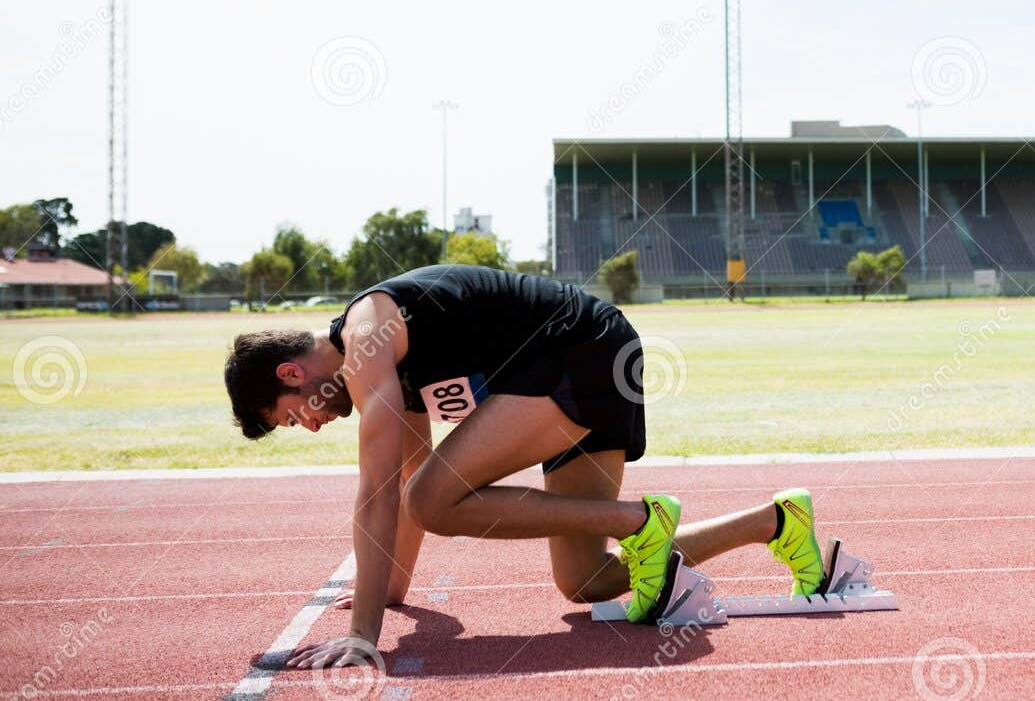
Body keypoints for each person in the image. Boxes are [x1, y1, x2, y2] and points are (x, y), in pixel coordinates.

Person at [222, 264, 826, 668]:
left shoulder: (367, 338)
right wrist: (390, 595)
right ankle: (774, 523)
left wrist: (361, 634)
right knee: (585, 583)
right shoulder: (389, 376)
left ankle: (636, 520)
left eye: (291, 416)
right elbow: (407, 472)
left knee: (433, 501)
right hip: (575, 371)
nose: (312, 424)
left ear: (292, 374)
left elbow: (380, 494)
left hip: (582, 351)